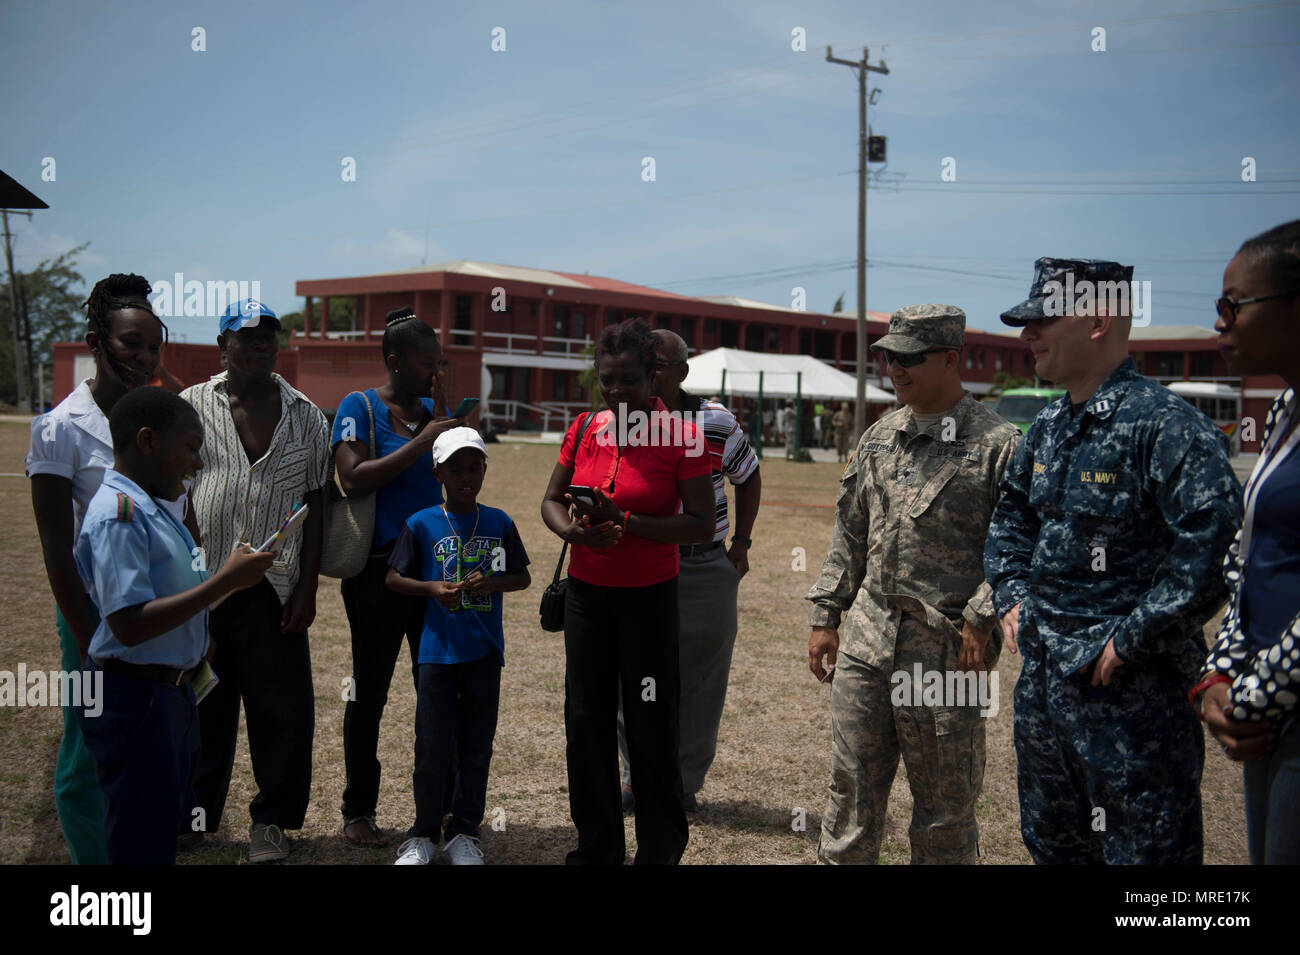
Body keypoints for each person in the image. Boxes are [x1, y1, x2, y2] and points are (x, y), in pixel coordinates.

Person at [984, 257, 1241, 864]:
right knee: (1054, 848)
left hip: (1134, 707)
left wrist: (1132, 638)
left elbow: (1217, 543)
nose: (1027, 336)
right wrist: (1012, 594)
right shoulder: (1048, 426)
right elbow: (1010, 518)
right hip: (1046, 697)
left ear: (1097, 321)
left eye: (1043, 319)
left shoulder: (1166, 426)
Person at [806, 305, 1021, 864]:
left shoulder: (1001, 445)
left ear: (951, 359)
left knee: (945, 807)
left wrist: (983, 613)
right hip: (868, 643)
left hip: (949, 652)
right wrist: (826, 616)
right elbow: (850, 533)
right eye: (888, 357)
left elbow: (1022, 544)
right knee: (851, 791)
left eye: (909, 358)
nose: (895, 369)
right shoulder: (879, 436)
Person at [26, 273, 190, 865]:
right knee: (86, 749)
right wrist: (86, 638)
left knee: (148, 740)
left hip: (161, 608)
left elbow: (182, 516)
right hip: (99, 614)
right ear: (96, 342)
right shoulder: (60, 430)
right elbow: (55, 548)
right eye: (130, 346)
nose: (145, 359)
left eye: (153, 347)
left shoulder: (162, 421)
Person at [75, 387, 274, 864]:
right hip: (135, 700)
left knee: (158, 831)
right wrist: (223, 583)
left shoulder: (153, 507)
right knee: (138, 840)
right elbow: (128, 624)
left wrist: (202, 628)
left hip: (169, 695)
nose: (199, 463)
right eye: (190, 447)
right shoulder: (120, 516)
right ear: (147, 441)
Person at [540, 318, 714, 864]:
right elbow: (550, 499)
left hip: (649, 600)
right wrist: (570, 529)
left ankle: (659, 852)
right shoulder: (586, 427)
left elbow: (700, 524)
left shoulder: (684, 437)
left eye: (628, 381)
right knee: (586, 725)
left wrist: (627, 521)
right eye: (607, 381)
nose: (616, 393)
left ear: (654, 376)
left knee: (651, 725)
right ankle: (596, 850)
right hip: (588, 599)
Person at [182, 299, 330, 863]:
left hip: (277, 587)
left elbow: (316, 503)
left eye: (270, 336)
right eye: (247, 337)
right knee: (203, 704)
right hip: (205, 582)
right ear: (223, 345)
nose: (261, 345)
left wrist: (308, 588)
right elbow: (173, 486)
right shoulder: (190, 407)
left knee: (282, 710)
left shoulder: (306, 416)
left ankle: (271, 823)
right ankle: (193, 815)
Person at [332, 307, 466, 847]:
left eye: (439, 363)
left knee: (437, 688)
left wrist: (449, 417)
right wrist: (422, 438)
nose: (433, 372)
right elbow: (352, 477)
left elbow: (460, 474)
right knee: (369, 691)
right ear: (393, 362)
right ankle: (358, 810)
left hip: (434, 570)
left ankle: (438, 813)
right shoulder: (359, 406)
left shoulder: (437, 408)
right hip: (377, 571)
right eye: (424, 363)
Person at [616, 329, 761, 818]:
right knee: (631, 674)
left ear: (682, 371)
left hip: (701, 566)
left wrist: (740, 543)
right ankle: (636, 779)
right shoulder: (623, 420)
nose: (650, 373)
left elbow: (749, 474)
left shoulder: (714, 421)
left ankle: (682, 782)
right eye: (643, 363)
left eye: (658, 364)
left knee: (700, 680)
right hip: (637, 560)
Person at [1196, 220, 1300, 864]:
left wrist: (1253, 694)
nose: (1219, 323)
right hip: (1269, 719)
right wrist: (1222, 670)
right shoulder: (1286, 410)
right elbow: (1248, 561)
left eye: (1233, 305)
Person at [385, 428, 531, 865]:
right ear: (438, 474)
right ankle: (424, 834)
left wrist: (494, 582)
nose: (466, 477)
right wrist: (432, 588)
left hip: (485, 653)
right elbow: (393, 578)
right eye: (455, 469)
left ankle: (465, 833)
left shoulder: (500, 522)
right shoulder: (422, 523)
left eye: (474, 467)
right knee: (432, 744)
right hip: (438, 654)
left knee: (476, 745)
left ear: (485, 468)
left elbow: (522, 577)